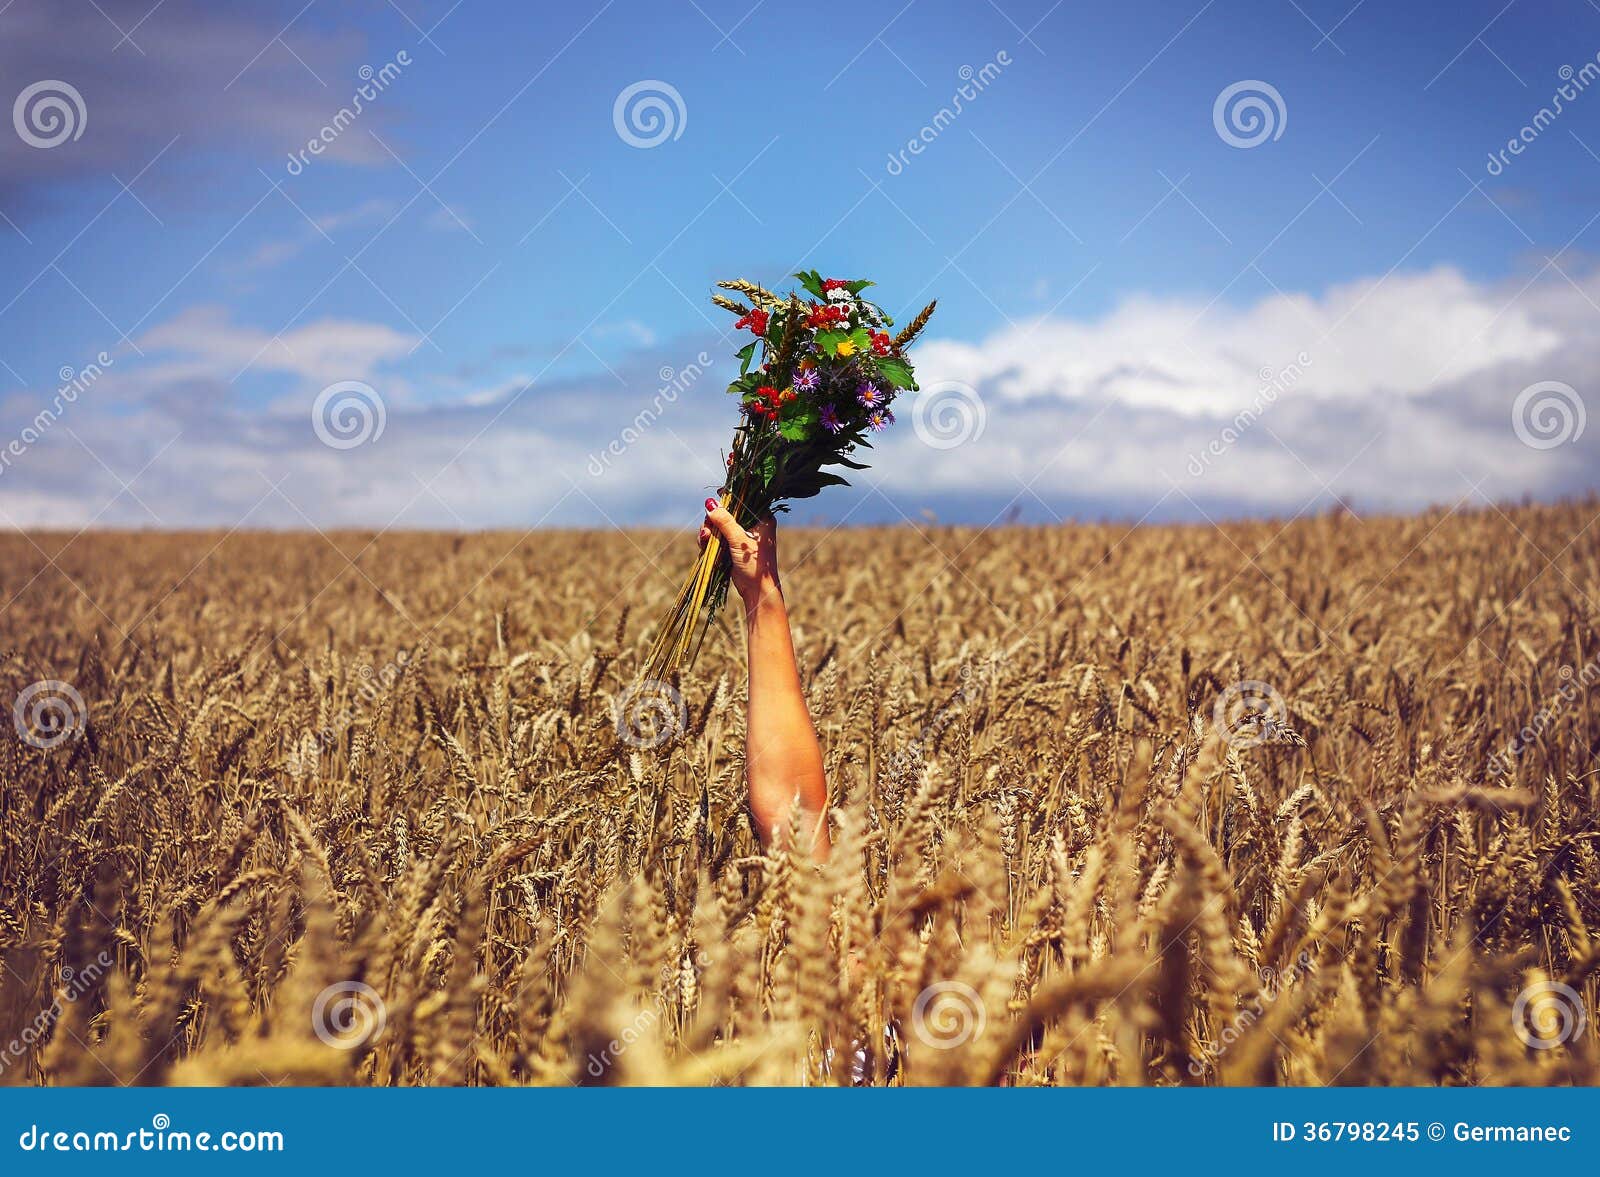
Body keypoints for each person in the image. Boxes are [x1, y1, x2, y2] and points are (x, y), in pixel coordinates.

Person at [700, 498, 831, 860]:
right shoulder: (823, 908)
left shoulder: (818, 908)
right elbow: (793, 817)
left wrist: (760, 592)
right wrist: (759, 591)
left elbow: (791, 816)